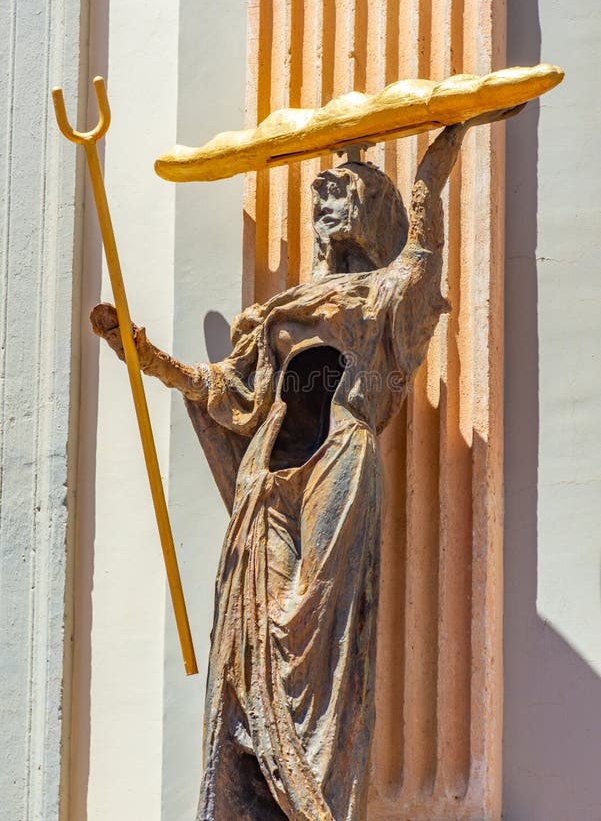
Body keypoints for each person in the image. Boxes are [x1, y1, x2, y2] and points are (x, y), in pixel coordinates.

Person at [91, 107, 521, 820]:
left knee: (318, 632)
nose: (326, 209)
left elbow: (420, 259)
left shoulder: (382, 296)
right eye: (320, 197)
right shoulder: (284, 307)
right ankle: (256, 789)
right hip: (266, 479)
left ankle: (314, 797)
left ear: (370, 206)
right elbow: (225, 390)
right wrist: (140, 353)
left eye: (341, 195)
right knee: (249, 636)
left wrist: (429, 178)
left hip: (339, 466)